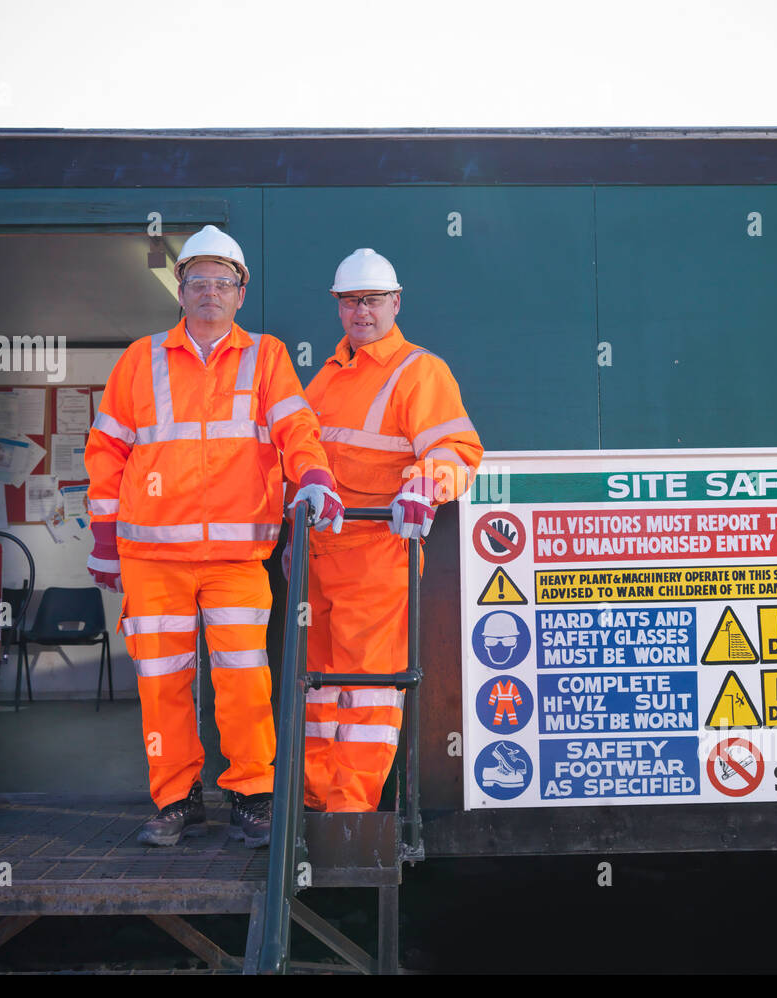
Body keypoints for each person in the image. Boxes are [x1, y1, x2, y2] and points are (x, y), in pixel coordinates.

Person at [85, 225, 343, 847]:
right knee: (162, 681)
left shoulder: (267, 356)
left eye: (221, 283)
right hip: (152, 557)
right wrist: (102, 540)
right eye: (197, 282)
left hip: (235, 556)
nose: (209, 293)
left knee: (244, 680)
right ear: (180, 290)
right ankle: (176, 799)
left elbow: (296, 426)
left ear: (240, 292)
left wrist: (312, 474)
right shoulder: (139, 359)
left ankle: (252, 795)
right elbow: (106, 450)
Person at [299, 248, 482, 813]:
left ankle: (349, 812)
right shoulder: (326, 378)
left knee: (371, 689)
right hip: (318, 554)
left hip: (379, 554)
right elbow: (302, 457)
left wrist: (423, 485)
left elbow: (458, 451)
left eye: (373, 300)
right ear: (338, 307)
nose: (362, 311)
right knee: (319, 685)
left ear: (395, 303)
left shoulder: (418, 371)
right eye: (351, 301)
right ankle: (312, 801)